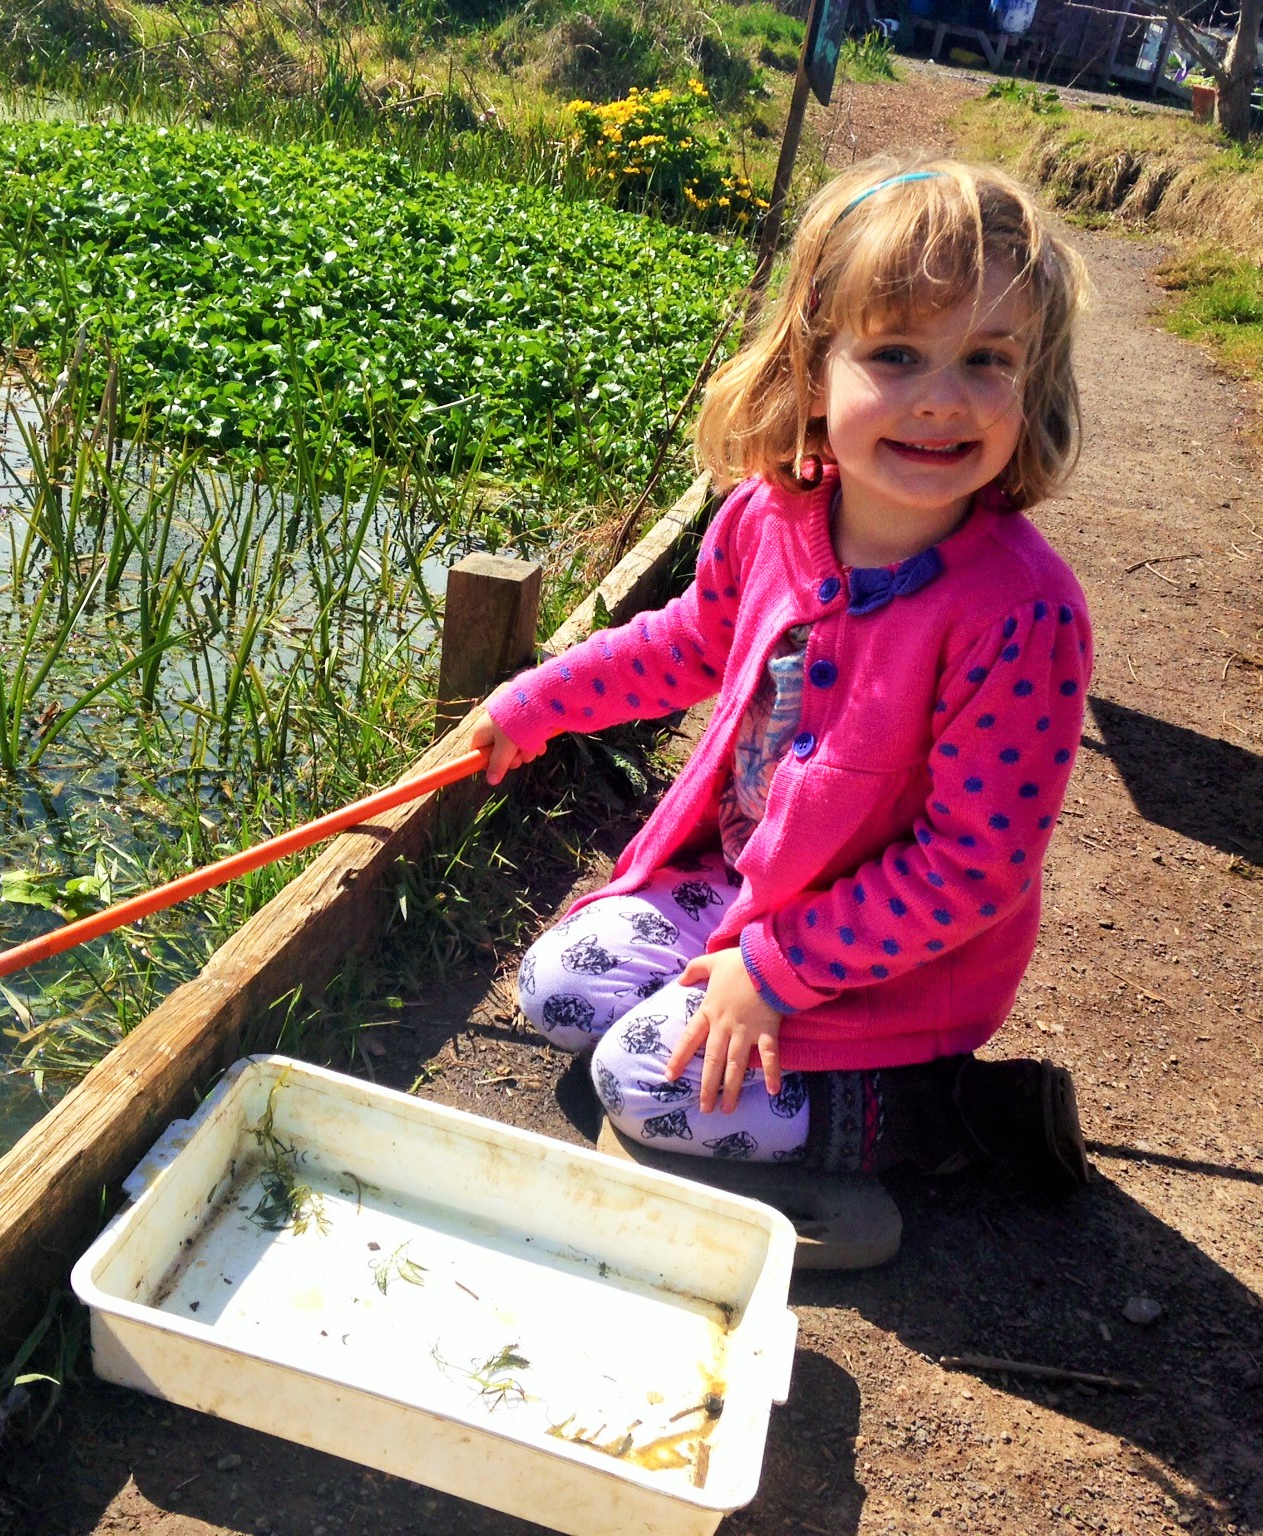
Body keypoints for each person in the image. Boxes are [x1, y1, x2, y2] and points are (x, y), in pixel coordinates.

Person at [469, 159, 1094, 1191]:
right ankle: (729, 1025)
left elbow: (970, 869)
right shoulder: (771, 518)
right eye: (894, 354)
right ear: (813, 370)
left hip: (884, 967)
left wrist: (774, 973)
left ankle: (940, 1115)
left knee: (639, 1083)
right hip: (743, 890)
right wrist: (537, 703)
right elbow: (684, 643)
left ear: (1032, 383)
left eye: (986, 360)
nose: (941, 402)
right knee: (556, 991)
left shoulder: (1020, 614)